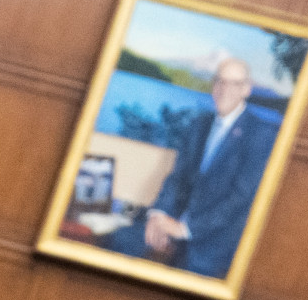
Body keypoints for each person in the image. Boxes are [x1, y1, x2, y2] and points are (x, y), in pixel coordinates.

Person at [113, 57, 275, 280]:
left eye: (233, 84)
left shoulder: (262, 134)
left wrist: (184, 229)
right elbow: (177, 178)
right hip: (175, 222)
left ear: (246, 89)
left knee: (183, 281)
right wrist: (158, 216)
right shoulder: (200, 124)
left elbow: (240, 198)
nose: (223, 90)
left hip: (213, 239)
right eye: (219, 81)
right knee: (120, 240)